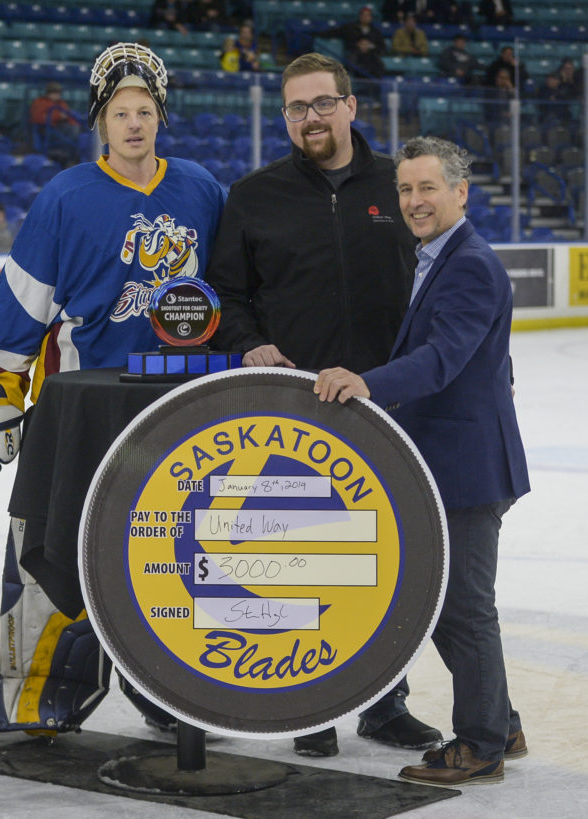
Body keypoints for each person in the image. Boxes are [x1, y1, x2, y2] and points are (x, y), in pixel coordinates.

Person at [0, 42, 226, 737]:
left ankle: (168, 691)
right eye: (119, 112)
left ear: (161, 117)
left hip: (179, 410)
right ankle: (37, 696)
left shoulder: (201, 190)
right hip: (82, 412)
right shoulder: (66, 197)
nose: (133, 124)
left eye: (144, 111)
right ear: (100, 122)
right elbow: (22, 306)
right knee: (58, 548)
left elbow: (232, 293)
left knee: (173, 555)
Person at [203, 52, 441, 758]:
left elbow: (444, 282)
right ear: (285, 117)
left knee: (388, 556)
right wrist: (249, 342)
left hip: (390, 401)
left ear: (350, 105)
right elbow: (226, 295)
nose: (311, 118)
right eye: (297, 108)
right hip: (297, 411)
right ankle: (310, 706)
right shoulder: (254, 195)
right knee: (300, 557)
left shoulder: (398, 184)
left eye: (323, 103)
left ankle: (385, 703)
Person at [314, 135, 529, 787]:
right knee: (446, 604)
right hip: (449, 459)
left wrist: (367, 383)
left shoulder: (470, 264)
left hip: (467, 465)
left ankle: (482, 745)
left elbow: (442, 359)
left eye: (428, 187)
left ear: (460, 192)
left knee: (462, 607)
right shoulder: (437, 257)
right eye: (405, 189)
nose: (414, 200)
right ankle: (501, 722)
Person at [28, 81, 82, 166]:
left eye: (58, 93)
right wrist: (58, 116)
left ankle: (71, 155)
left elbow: (69, 116)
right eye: (54, 93)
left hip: (61, 128)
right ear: (49, 93)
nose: (57, 95)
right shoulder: (40, 102)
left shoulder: (62, 103)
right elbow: (38, 118)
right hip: (46, 130)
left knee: (77, 130)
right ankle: (66, 154)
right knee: (73, 131)